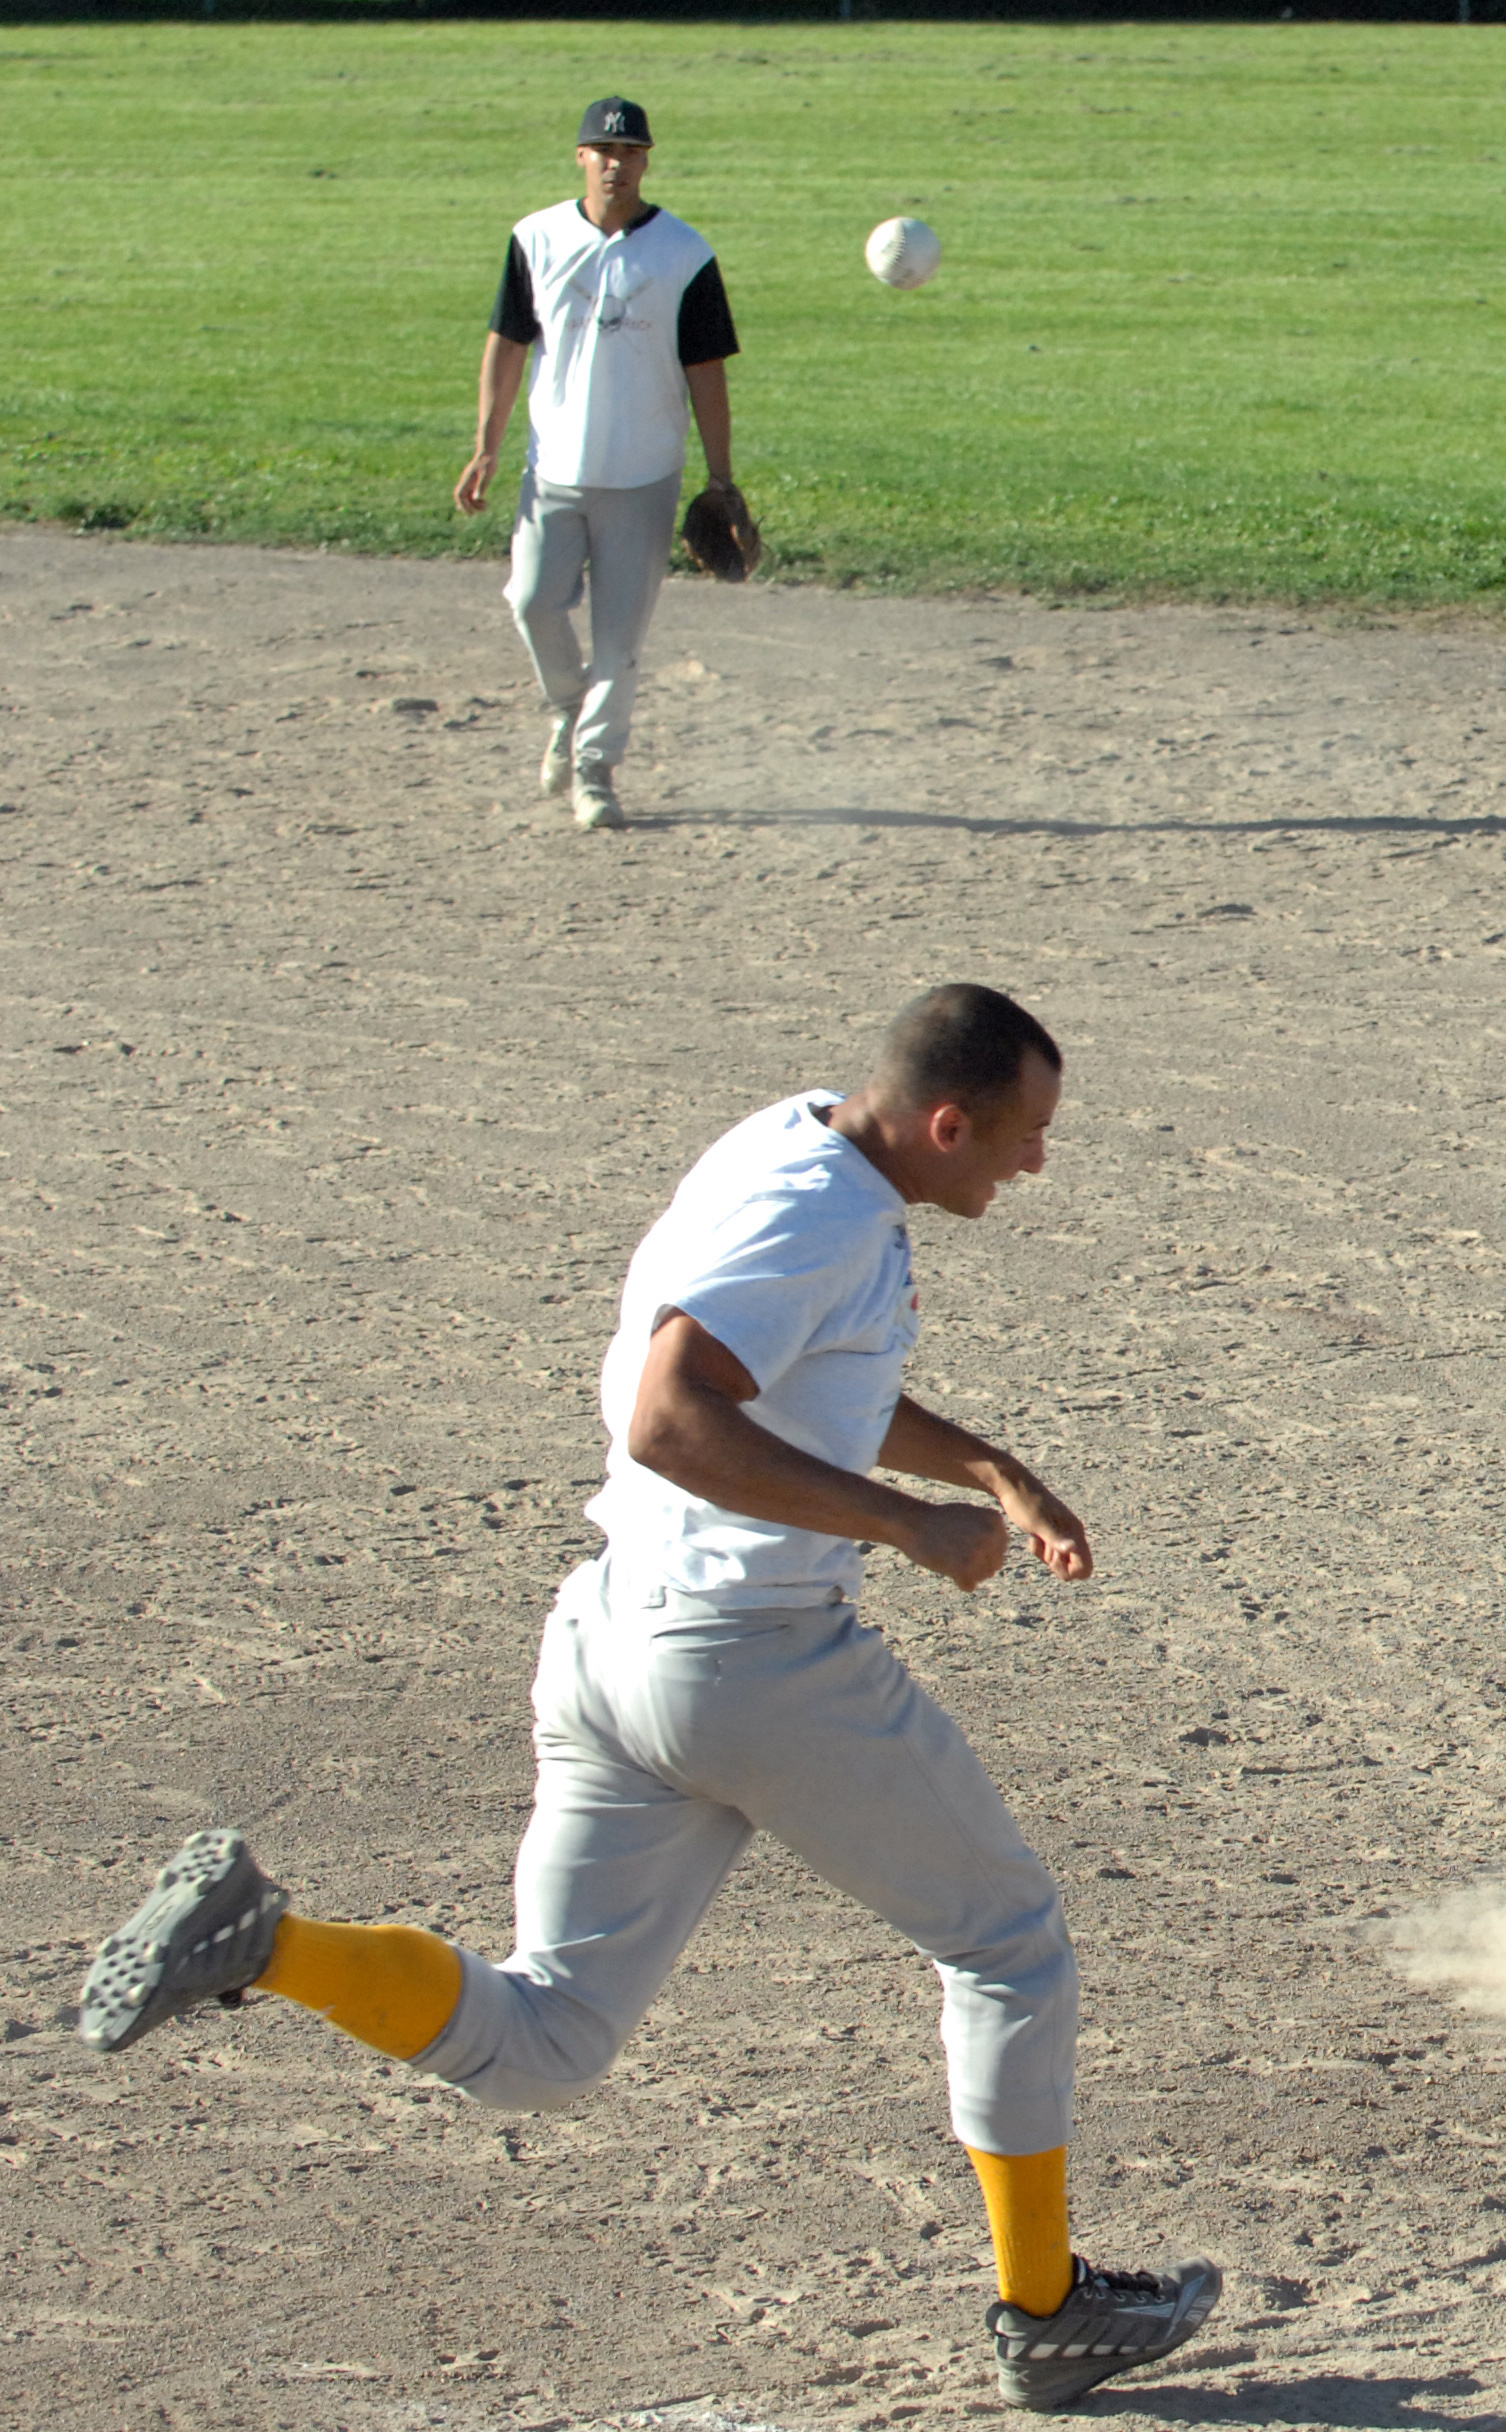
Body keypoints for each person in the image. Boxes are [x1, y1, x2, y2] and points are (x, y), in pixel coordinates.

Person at [76, 985, 1220, 2415]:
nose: (1033, 1166)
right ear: (947, 1123)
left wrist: (984, 1469)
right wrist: (903, 1527)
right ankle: (1047, 2311)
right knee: (1008, 1944)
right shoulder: (818, 1214)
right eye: (1025, 1137)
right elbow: (674, 1418)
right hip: (754, 1661)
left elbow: (802, 1386)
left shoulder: (789, 1150)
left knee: (544, 2043)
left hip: (613, 1637)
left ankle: (266, 1945)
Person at [455, 97, 745, 833]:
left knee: (621, 640)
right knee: (530, 602)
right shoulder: (536, 237)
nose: (616, 164)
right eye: (602, 151)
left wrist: (720, 476)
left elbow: (706, 369)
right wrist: (486, 444)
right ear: (581, 157)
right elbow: (508, 344)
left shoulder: (684, 253)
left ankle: (594, 769)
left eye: (630, 152)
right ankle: (567, 707)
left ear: (647, 160)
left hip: (643, 473)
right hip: (552, 466)